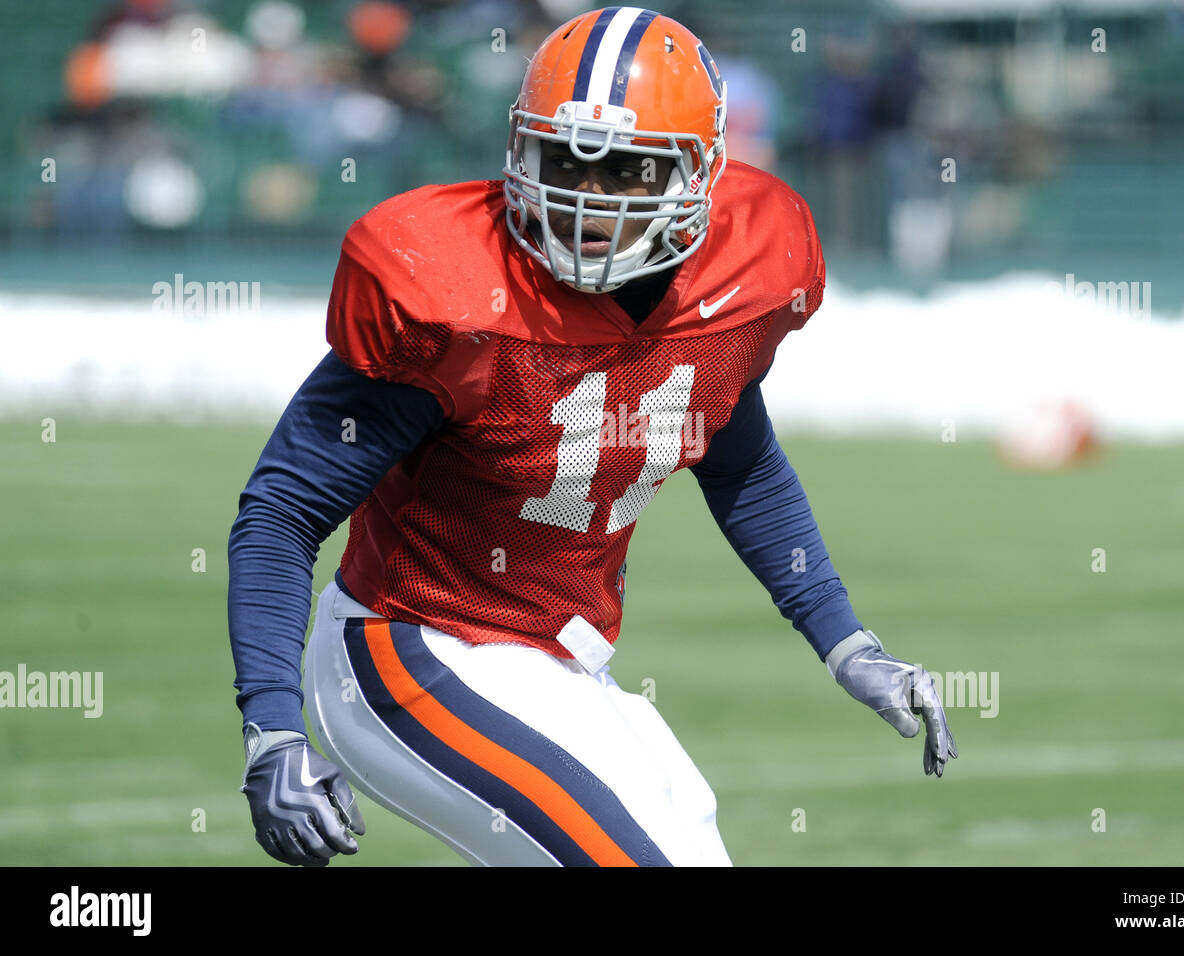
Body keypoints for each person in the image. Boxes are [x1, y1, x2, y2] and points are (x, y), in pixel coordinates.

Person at [229, 5, 956, 868]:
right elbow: (281, 509)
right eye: (566, 159)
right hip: (411, 644)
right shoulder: (454, 296)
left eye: (628, 168)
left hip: (562, 659)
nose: (589, 195)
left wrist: (845, 642)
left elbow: (741, 462)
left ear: (700, 172)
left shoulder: (739, 283)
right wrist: (272, 728)